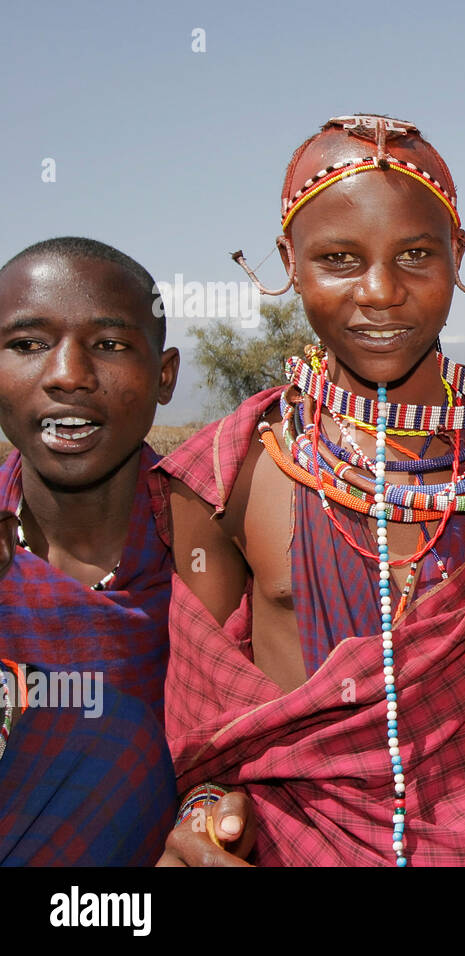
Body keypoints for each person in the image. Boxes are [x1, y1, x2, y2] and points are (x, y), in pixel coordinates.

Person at [158, 115, 465, 867]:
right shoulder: (233, 471)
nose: (382, 292)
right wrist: (205, 810)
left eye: (416, 255)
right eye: (338, 259)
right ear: (290, 264)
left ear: (458, 256)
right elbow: (209, 720)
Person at [0, 237, 179, 865]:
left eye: (109, 344)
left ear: (164, 377)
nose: (68, 374)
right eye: (27, 345)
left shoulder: (221, 551)